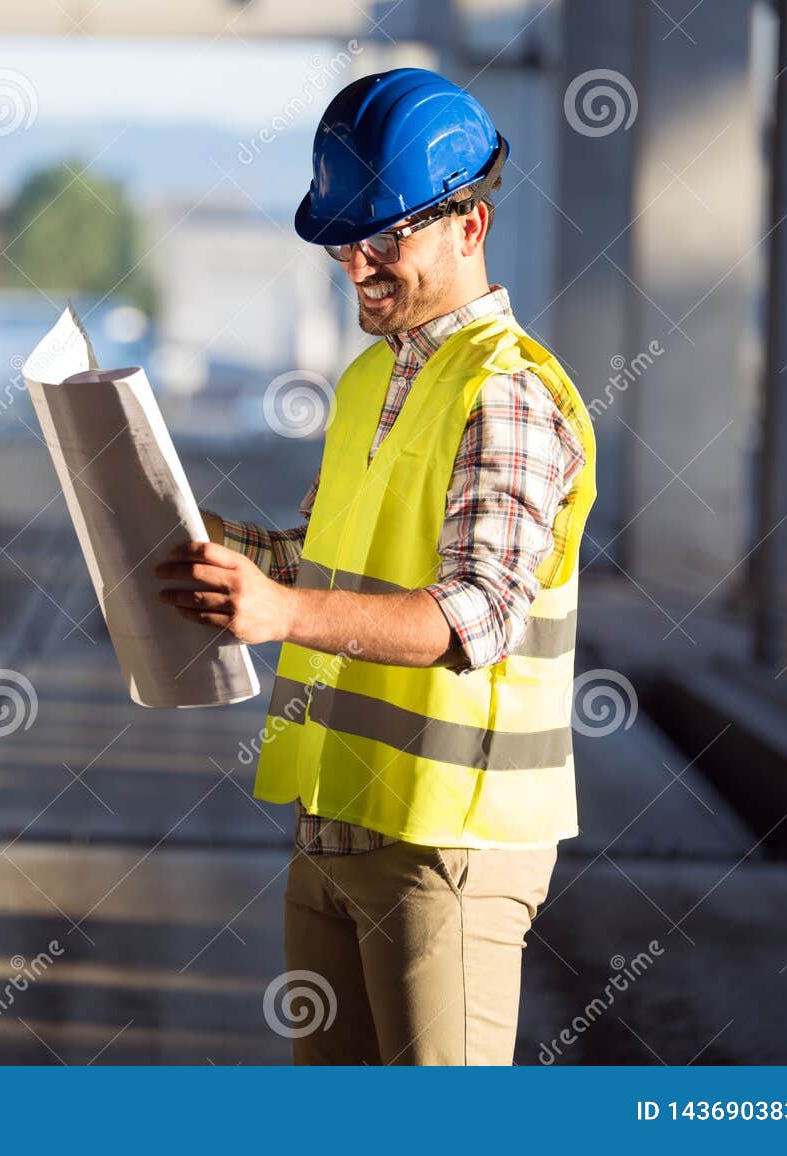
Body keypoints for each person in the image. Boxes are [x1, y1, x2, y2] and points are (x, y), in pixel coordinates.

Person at [155, 68, 596, 1065]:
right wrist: (219, 550)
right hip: (336, 827)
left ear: (469, 226)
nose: (357, 262)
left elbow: (474, 615)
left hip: (446, 849)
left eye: (385, 235)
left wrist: (281, 614)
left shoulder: (506, 396)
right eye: (341, 238)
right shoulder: (369, 379)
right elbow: (326, 569)